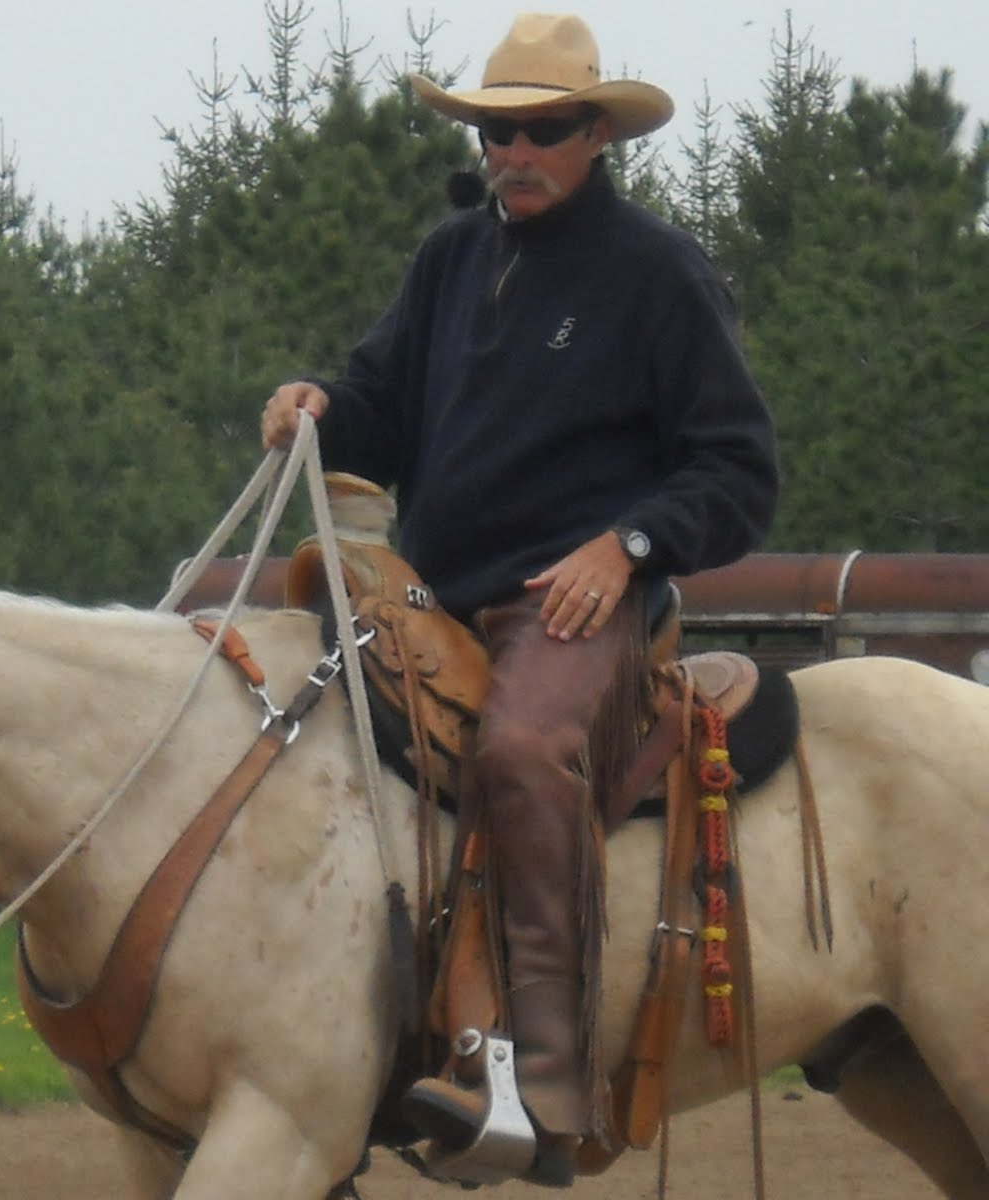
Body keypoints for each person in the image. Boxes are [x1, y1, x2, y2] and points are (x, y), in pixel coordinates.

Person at [260, 12, 779, 1188]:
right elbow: (379, 406)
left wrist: (630, 545)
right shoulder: (452, 258)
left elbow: (738, 469)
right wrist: (318, 409)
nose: (514, 151)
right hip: (435, 596)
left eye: (543, 129)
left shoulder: (657, 272)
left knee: (528, 744)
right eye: (498, 130)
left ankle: (543, 1078)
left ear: (596, 134)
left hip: (573, 608)